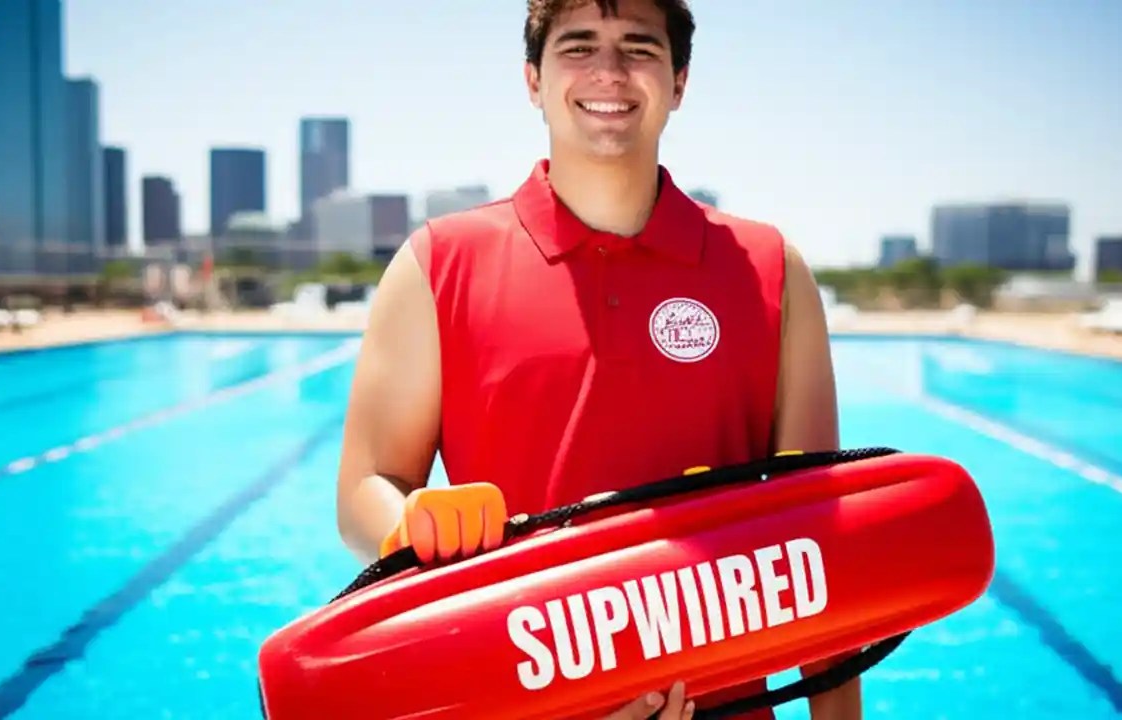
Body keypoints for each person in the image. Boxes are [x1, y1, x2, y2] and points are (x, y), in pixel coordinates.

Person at [335, 1, 858, 718]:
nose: (609, 72)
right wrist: (414, 526)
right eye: (578, 47)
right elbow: (367, 485)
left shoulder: (771, 270)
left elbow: (813, 546)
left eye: (638, 48)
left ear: (679, 82)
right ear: (533, 80)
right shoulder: (438, 264)